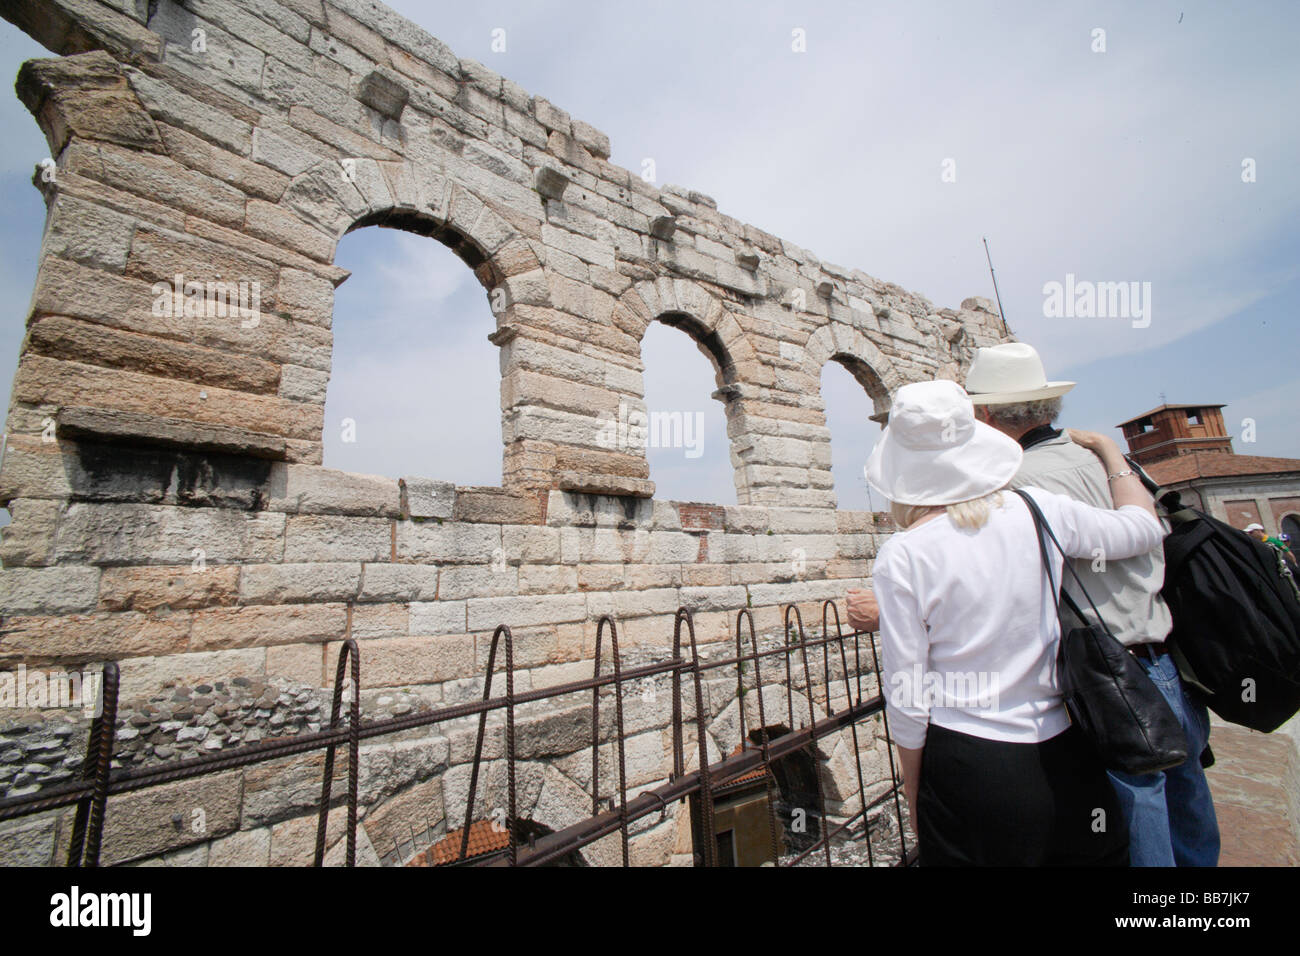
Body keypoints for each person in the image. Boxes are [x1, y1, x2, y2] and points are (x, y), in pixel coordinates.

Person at [863, 379, 1165, 866]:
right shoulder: (1037, 509)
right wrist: (1112, 455)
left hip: (968, 759)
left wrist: (914, 785)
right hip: (1063, 746)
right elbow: (1143, 529)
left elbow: (907, 690)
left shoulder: (902, 555)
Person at [964, 342, 1220, 867]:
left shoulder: (1017, 485)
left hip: (1107, 664)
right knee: (1185, 783)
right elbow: (1153, 530)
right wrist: (1108, 452)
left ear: (987, 414)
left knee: (1138, 794)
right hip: (1165, 651)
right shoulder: (1114, 463)